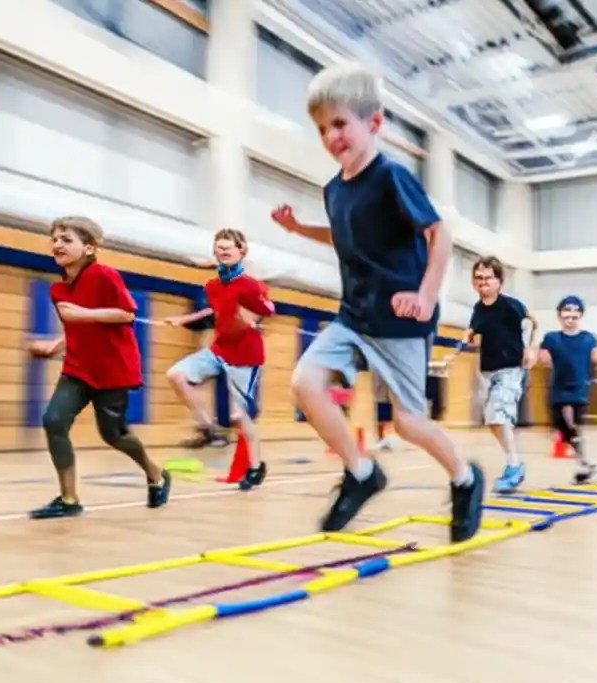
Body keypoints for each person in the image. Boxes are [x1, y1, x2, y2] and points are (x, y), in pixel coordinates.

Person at [271, 62, 486, 543]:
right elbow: (345, 236)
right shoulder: (334, 189)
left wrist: (428, 295)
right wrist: (298, 229)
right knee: (305, 383)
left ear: (374, 123)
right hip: (353, 315)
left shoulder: (392, 177)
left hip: (400, 320)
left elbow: (439, 233)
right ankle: (362, 471)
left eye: (340, 124)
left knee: (409, 422)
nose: (331, 136)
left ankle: (465, 479)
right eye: (323, 128)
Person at [25, 216, 171, 519]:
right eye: (54, 239)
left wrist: (83, 313)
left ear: (89, 247)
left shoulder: (105, 276)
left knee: (113, 435)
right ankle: (68, 499)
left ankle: (155, 473)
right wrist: (56, 345)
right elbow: (77, 328)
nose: (57, 244)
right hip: (78, 367)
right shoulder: (58, 290)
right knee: (53, 420)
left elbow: (127, 314)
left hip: (112, 369)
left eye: (66, 240)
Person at [162, 229, 275, 491]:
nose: (223, 251)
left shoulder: (250, 284)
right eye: (219, 248)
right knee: (176, 375)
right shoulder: (213, 286)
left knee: (240, 415)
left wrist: (251, 319)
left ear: (241, 251)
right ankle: (208, 427)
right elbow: (214, 310)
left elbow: (268, 309)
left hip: (245, 356)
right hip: (219, 350)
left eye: (229, 248)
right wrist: (183, 319)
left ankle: (256, 467)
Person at [462, 255, 536, 493]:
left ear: (499, 281)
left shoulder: (511, 306)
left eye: (488, 278)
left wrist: (530, 348)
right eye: (478, 278)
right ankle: (513, 463)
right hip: (487, 370)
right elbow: (475, 327)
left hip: (510, 368)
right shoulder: (477, 308)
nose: (483, 282)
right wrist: (469, 334)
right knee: (493, 422)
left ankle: (515, 466)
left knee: (498, 417)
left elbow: (531, 322)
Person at [538, 296, 597, 483]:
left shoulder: (588, 338)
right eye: (566, 316)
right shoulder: (552, 338)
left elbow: (594, 360)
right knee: (562, 432)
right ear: (560, 316)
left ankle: (583, 463)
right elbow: (543, 358)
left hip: (578, 387)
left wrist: (590, 380)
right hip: (558, 386)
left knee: (571, 423)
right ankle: (584, 463)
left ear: (580, 316)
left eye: (574, 316)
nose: (570, 320)